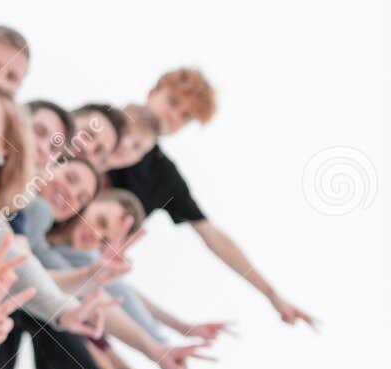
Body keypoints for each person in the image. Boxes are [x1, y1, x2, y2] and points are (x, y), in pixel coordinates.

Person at [110, 67, 316, 326]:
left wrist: (272, 295)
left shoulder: (164, 177)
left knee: (140, 330)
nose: (174, 116)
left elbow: (214, 237)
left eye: (185, 116)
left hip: (84, 262)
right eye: (172, 102)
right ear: (153, 93)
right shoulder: (101, 123)